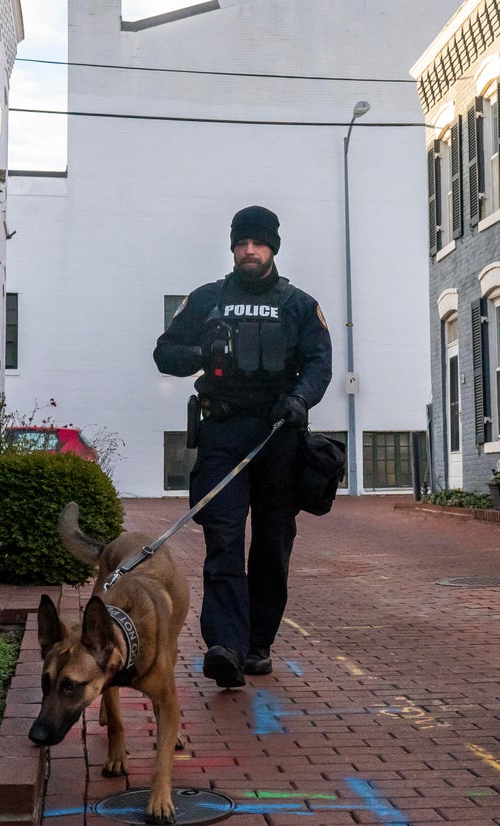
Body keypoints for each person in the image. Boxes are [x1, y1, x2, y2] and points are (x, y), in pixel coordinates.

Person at [153, 205, 333, 688]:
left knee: (273, 547)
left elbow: (320, 364)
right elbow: (164, 353)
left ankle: (258, 644)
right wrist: (199, 354)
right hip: (223, 436)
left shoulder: (299, 304)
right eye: (241, 243)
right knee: (224, 542)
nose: (249, 250)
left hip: (278, 437)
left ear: (273, 246)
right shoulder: (207, 300)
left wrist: (300, 399)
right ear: (232, 247)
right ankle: (226, 646)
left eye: (257, 242)